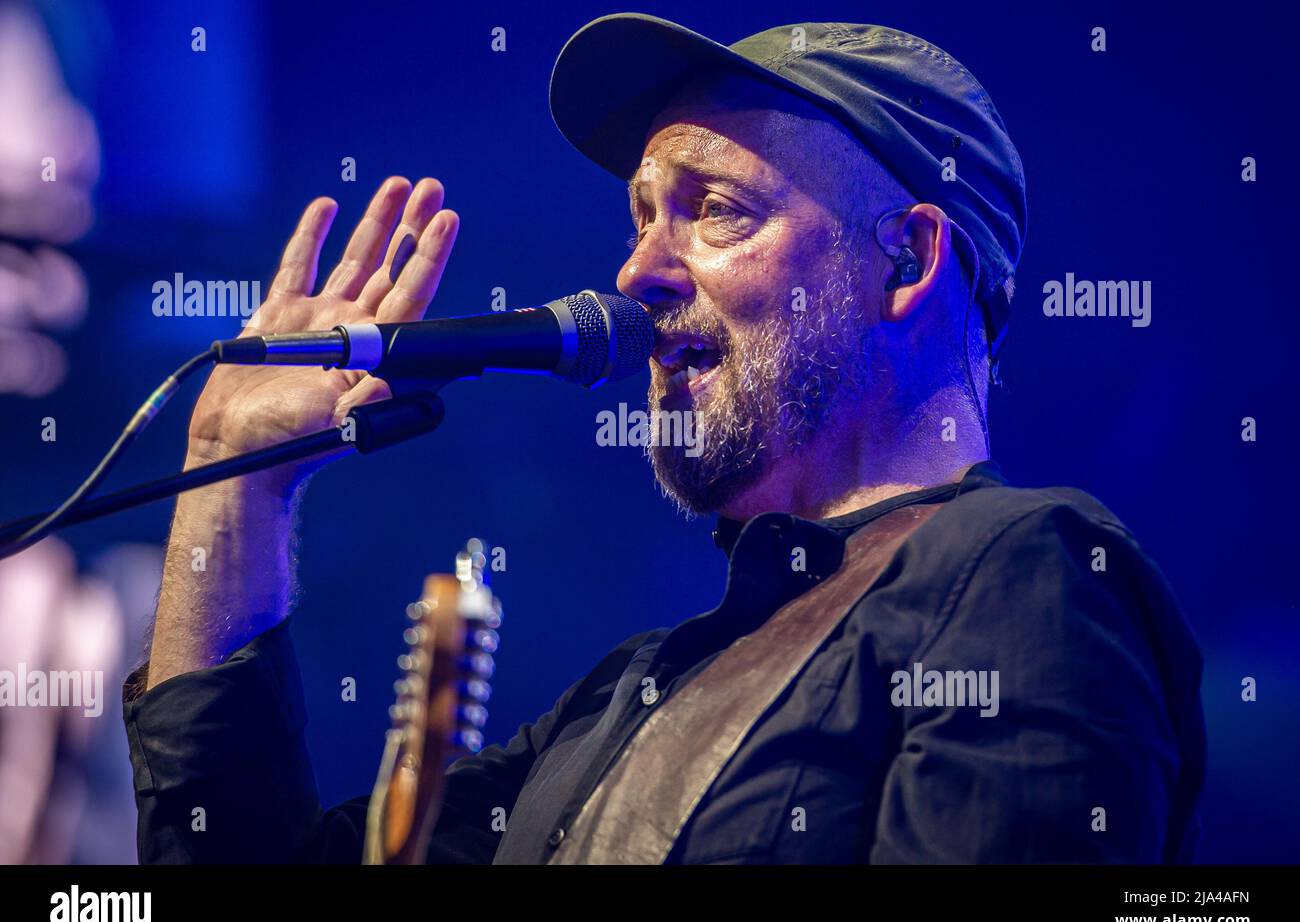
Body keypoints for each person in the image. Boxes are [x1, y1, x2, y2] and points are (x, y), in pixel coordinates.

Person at [123, 17, 1205, 864]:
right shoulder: (621, 694)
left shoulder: (1024, 572)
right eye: (640, 214)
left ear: (909, 262)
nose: (636, 271)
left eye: (715, 209)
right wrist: (230, 477)